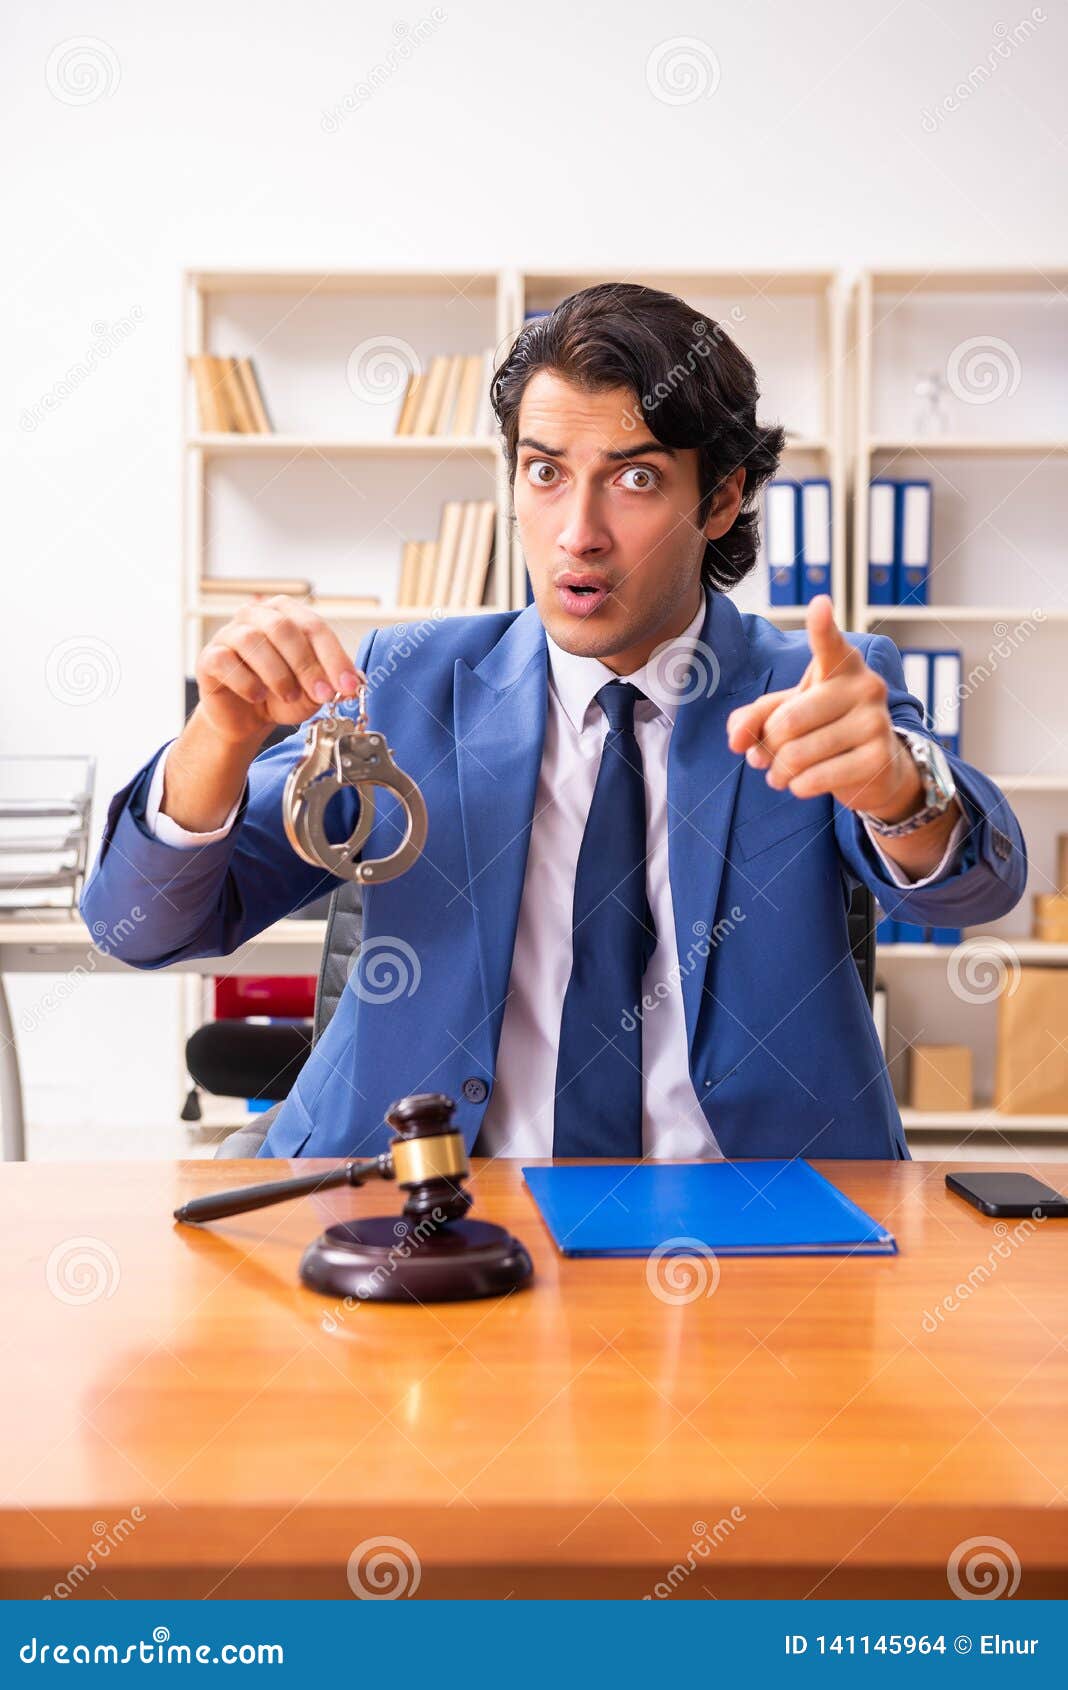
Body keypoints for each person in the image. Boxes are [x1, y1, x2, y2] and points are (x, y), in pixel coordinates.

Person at [80, 284, 1026, 1161]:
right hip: (432, 1202)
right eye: (543, 472)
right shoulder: (405, 686)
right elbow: (143, 926)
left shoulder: (812, 688)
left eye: (635, 479)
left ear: (722, 498)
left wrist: (900, 791)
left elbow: (975, 892)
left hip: (751, 1211)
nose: (578, 532)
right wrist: (219, 737)